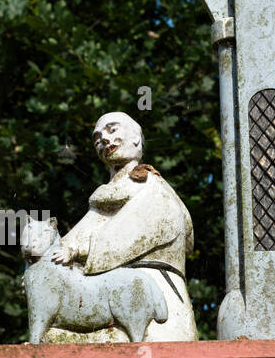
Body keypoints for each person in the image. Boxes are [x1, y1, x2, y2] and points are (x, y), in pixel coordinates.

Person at [51, 111, 198, 342]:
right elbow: (75, 238)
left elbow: (123, 237)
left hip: (154, 304)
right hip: (112, 302)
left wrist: (76, 252)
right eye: (97, 137)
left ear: (136, 138)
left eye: (112, 129)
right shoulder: (105, 198)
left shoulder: (152, 187)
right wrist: (44, 267)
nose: (103, 140)